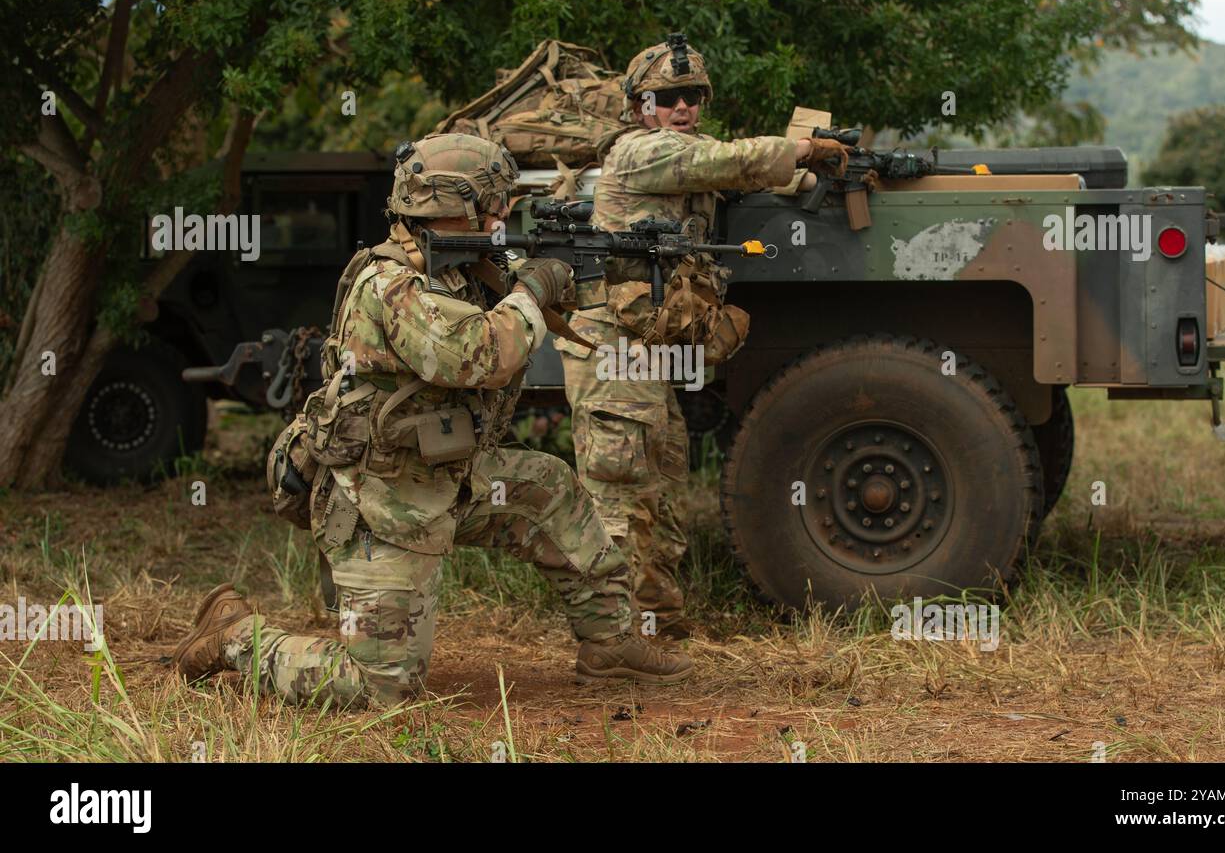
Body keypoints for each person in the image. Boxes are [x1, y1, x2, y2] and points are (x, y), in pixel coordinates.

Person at [172, 133, 691, 709]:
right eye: (494, 203)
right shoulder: (390, 287)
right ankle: (235, 639)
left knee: (549, 488)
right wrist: (534, 286)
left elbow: (551, 284)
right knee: (379, 690)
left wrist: (616, 259)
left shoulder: (463, 266)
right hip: (380, 499)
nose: (503, 215)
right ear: (452, 207)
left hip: (449, 475)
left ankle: (613, 644)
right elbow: (487, 352)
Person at [556, 37, 848, 639]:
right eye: (667, 98)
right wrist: (809, 148)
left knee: (659, 486)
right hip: (612, 348)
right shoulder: (640, 153)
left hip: (645, 352)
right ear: (642, 107)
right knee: (619, 498)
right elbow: (730, 161)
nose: (682, 107)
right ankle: (611, 641)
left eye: (692, 97)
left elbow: (731, 172)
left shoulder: (689, 160)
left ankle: (656, 622)